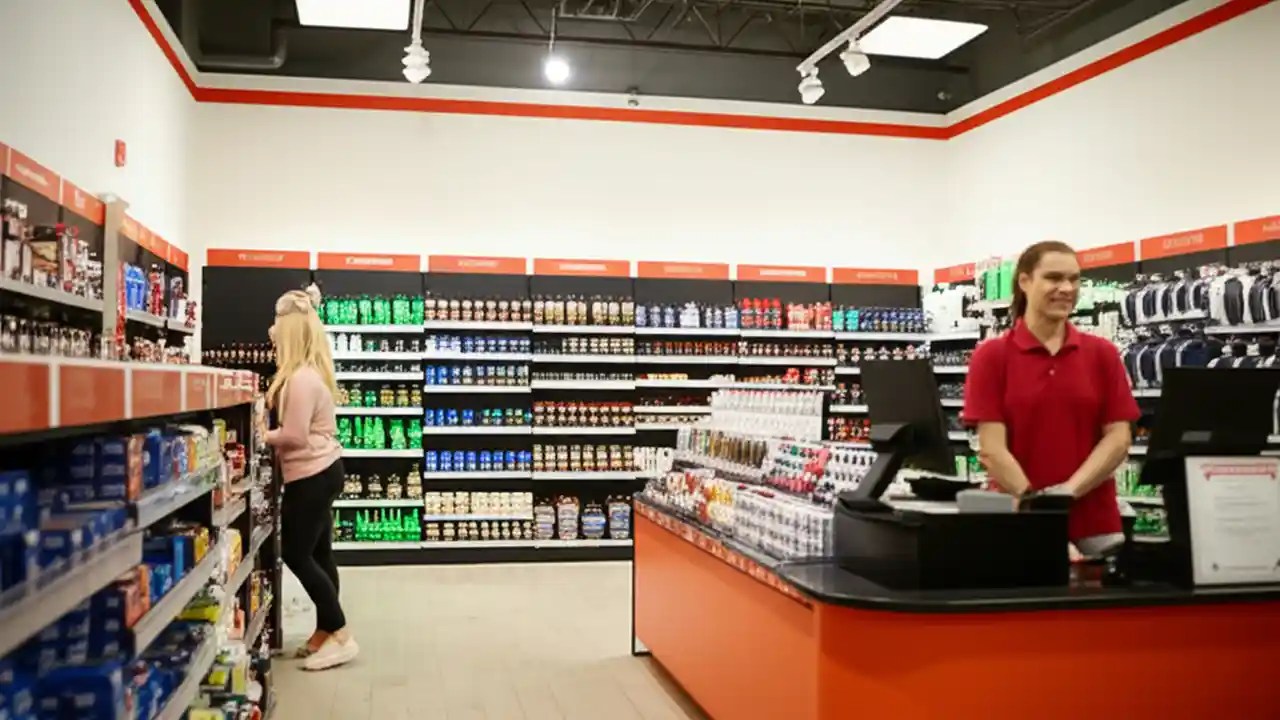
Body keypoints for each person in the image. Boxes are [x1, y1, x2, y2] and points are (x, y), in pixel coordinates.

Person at [962, 241, 1140, 557]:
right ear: (1024, 281)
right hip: (1020, 523)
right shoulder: (992, 356)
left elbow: (1118, 438)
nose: (1066, 288)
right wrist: (1039, 508)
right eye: (1054, 278)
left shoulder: (1102, 354)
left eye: (1074, 279)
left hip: (1096, 527)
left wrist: (1066, 494)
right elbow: (991, 448)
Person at [262, 285, 359, 671]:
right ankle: (324, 632)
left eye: (277, 326)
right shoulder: (309, 373)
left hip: (312, 474)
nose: (272, 332)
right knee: (320, 554)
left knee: (296, 553)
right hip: (324, 470)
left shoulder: (301, 379)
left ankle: (342, 634)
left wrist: (262, 435)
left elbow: (295, 436)